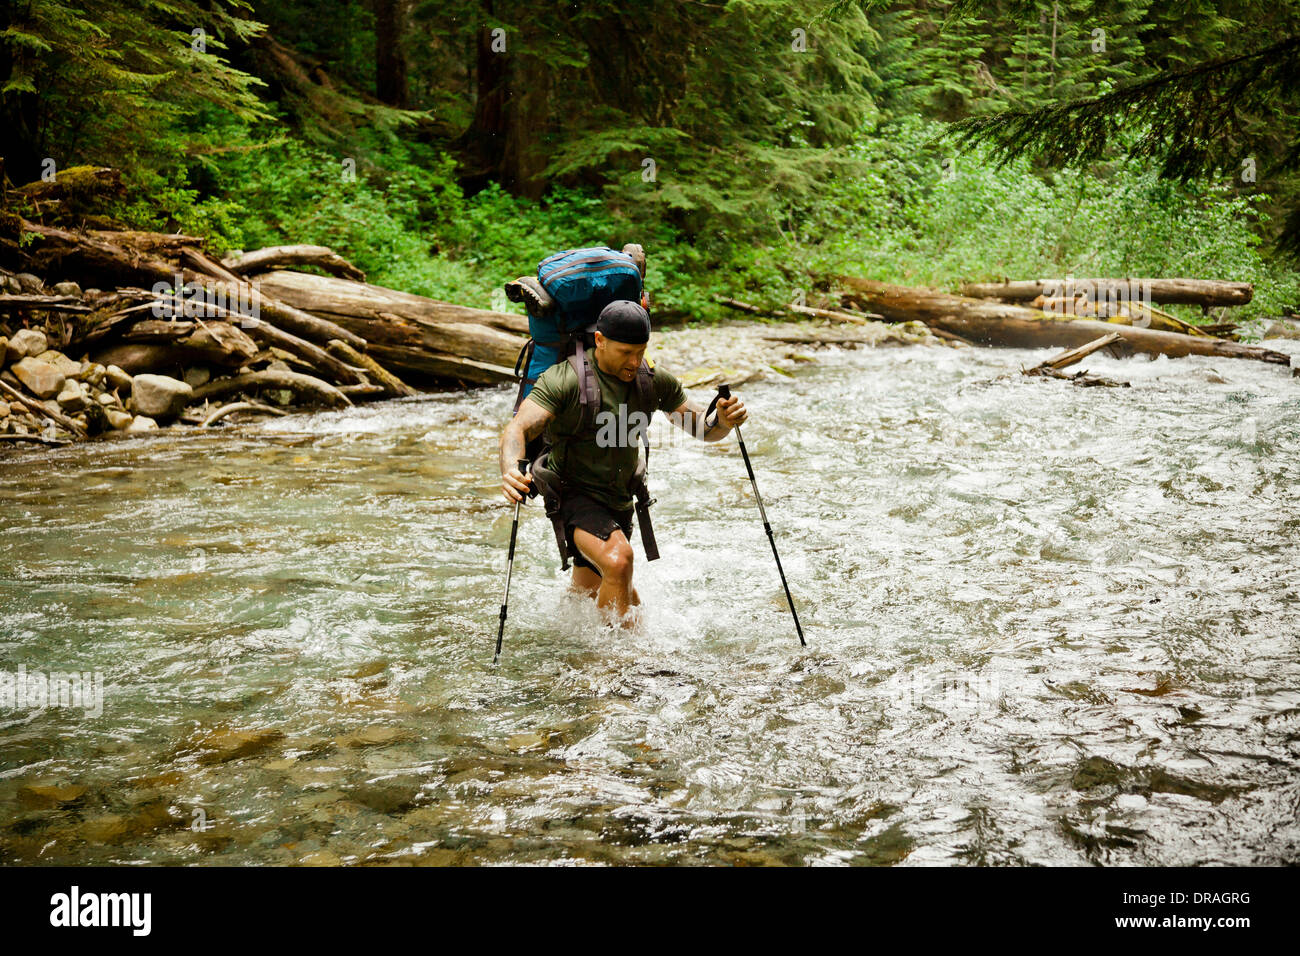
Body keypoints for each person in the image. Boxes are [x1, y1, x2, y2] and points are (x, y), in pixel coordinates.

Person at [499, 299, 747, 626]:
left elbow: (701, 428)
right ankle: (611, 668)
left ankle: (565, 641)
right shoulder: (565, 380)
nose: (635, 361)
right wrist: (510, 470)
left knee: (593, 589)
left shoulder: (653, 381)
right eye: (625, 352)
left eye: (641, 351)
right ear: (599, 341)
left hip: (620, 498)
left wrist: (724, 421)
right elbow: (519, 427)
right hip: (573, 494)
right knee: (619, 561)